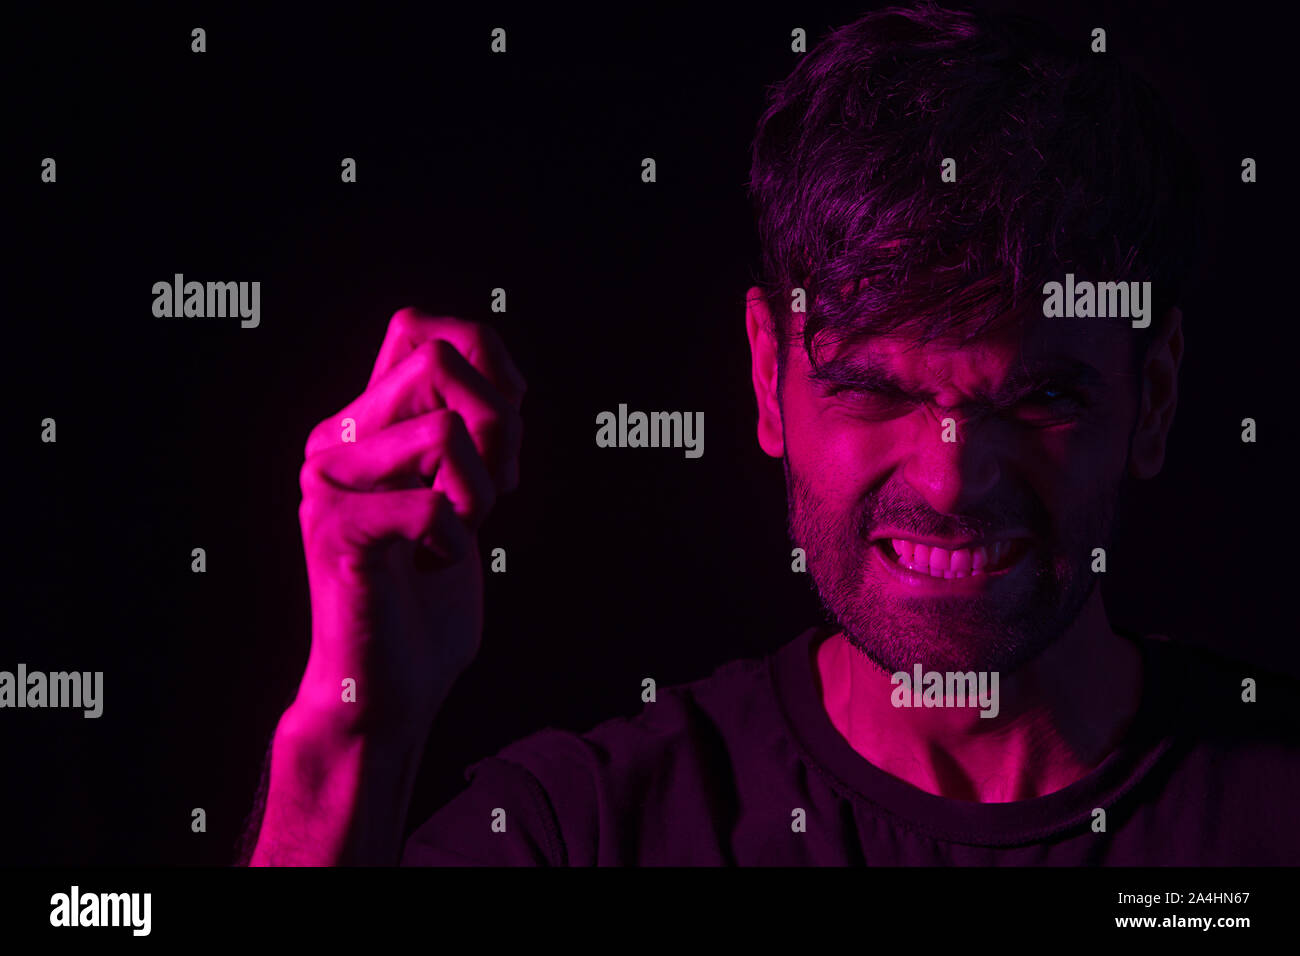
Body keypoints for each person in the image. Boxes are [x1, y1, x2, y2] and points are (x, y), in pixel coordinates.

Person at [244, 2, 1298, 866]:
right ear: (766, 372)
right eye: (870, 388)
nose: (949, 477)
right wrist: (354, 729)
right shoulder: (589, 830)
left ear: (1152, 396)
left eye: (1037, 400)